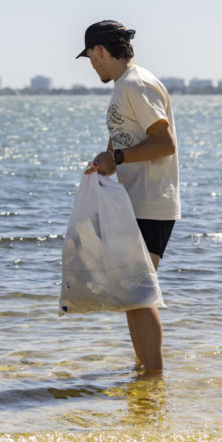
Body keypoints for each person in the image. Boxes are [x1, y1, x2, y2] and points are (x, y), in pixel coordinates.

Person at [77, 20, 180, 373]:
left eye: (91, 57)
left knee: (139, 293)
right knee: (131, 296)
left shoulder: (137, 85)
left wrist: (116, 158)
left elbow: (165, 143)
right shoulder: (125, 87)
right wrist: (105, 161)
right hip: (134, 201)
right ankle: (144, 375)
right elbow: (126, 136)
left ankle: (152, 379)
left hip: (152, 203)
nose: (92, 65)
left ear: (100, 51)